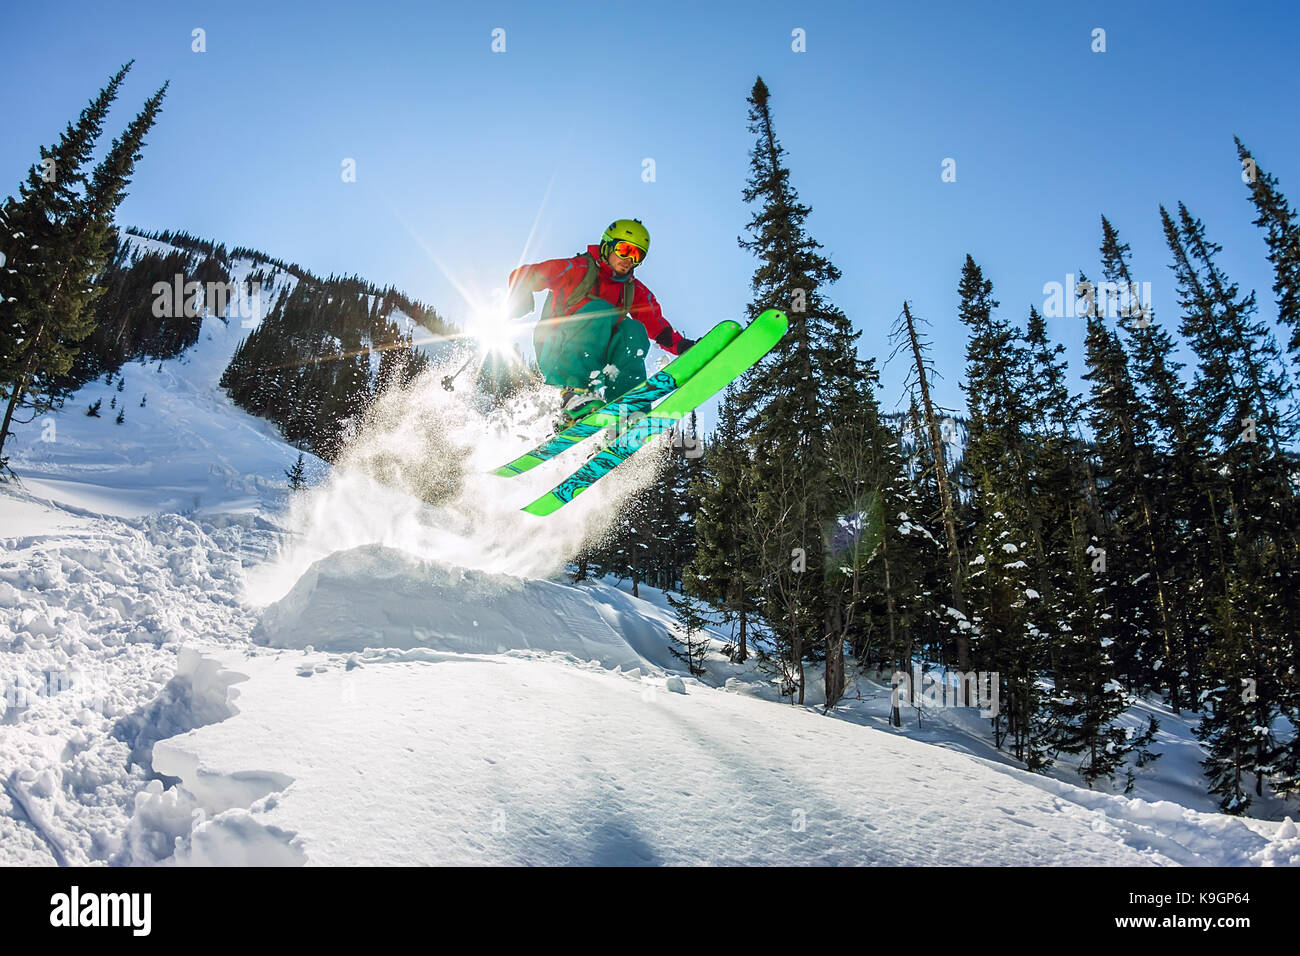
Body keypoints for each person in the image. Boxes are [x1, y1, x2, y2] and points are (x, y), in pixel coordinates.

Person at [506, 218, 694, 421]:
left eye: (637, 255)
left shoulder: (631, 288)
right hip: (556, 348)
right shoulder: (577, 268)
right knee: (600, 310)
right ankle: (575, 395)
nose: (629, 259)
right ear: (607, 246)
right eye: (624, 250)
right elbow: (527, 275)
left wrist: (682, 346)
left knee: (634, 331)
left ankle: (626, 404)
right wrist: (520, 297)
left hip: (597, 358)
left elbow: (657, 328)